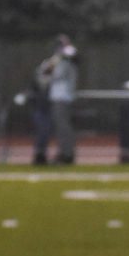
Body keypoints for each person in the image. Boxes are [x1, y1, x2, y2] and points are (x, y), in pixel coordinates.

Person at [48, 35, 79, 164]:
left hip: (63, 96)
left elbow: (56, 74)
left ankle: (67, 153)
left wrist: (54, 63)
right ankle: (63, 151)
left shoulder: (66, 57)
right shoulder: (60, 58)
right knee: (61, 127)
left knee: (63, 126)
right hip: (59, 96)